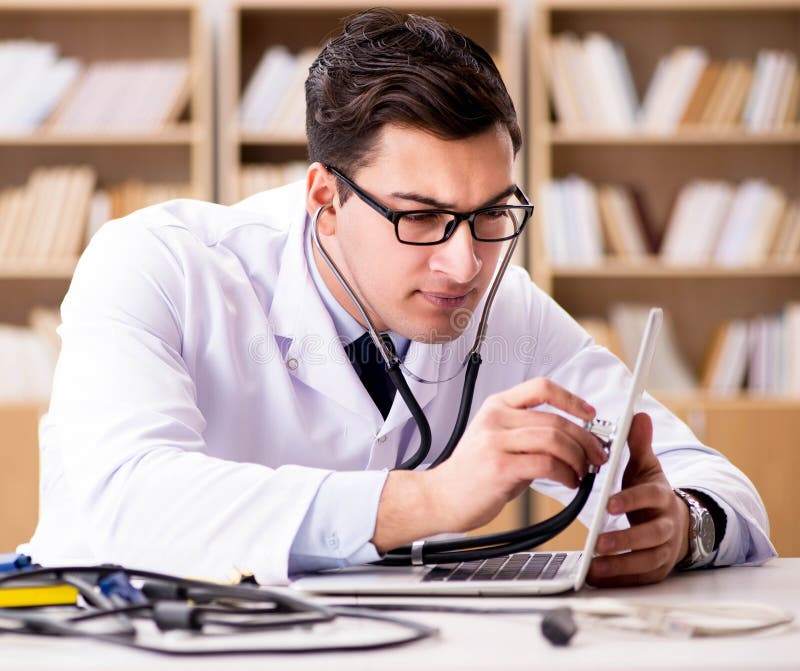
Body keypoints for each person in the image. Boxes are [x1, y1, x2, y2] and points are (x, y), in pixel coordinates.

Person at [22, 8, 774, 586]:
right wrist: (433, 498)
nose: (466, 262)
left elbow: (716, 481)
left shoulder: (499, 306)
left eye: (490, 214)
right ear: (325, 198)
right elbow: (129, 500)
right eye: (419, 216)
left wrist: (681, 524)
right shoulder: (155, 264)